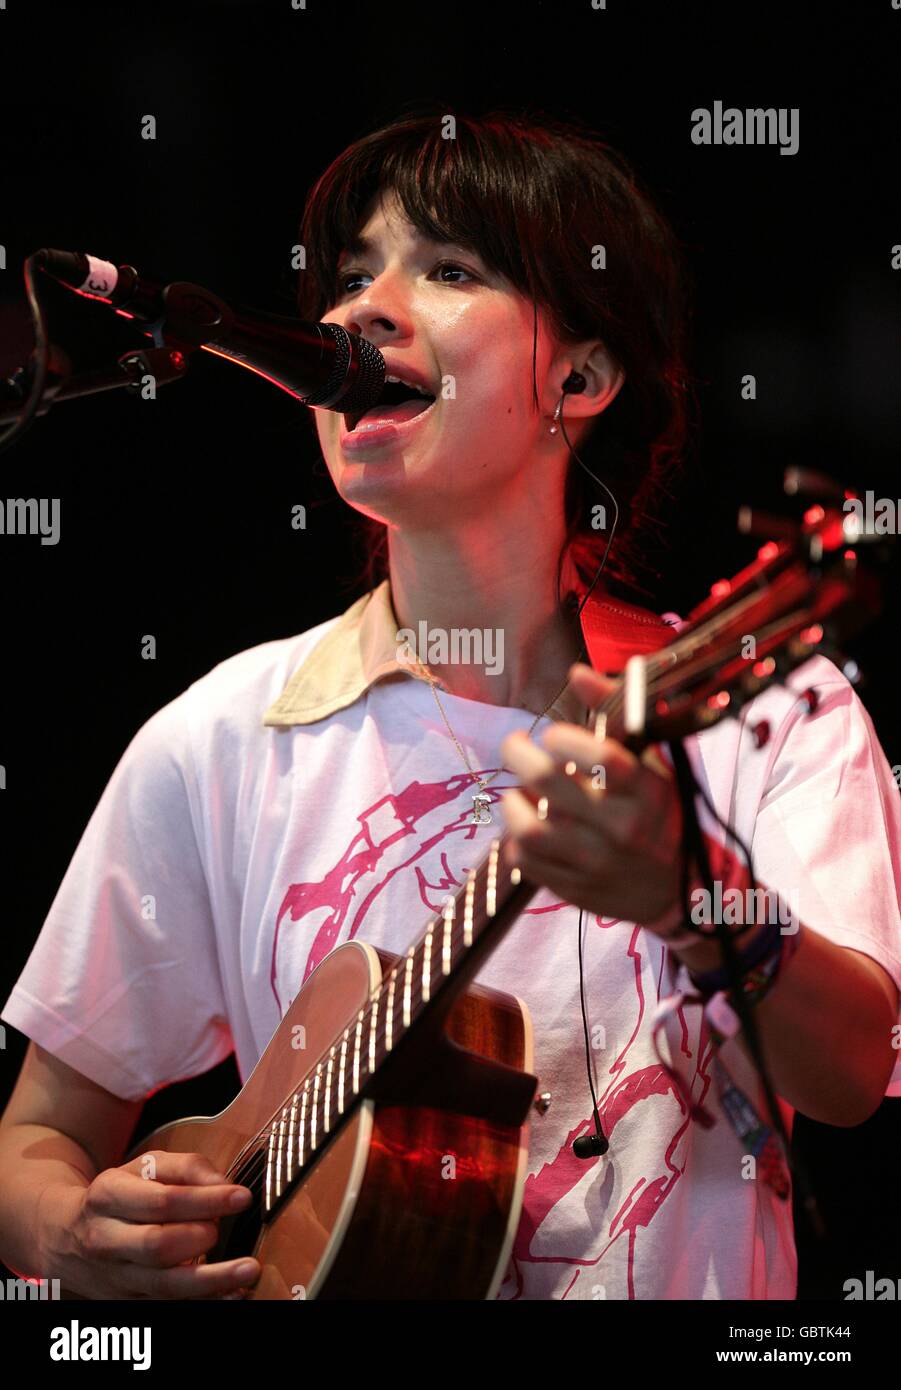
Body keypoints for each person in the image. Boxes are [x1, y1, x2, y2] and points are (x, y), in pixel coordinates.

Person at [1, 108, 899, 1301]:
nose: (354, 311)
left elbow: (855, 1068)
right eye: (350, 273)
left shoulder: (769, 713)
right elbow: (35, 1140)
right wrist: (69, 1235)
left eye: (447, 269)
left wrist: (691, 895)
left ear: (576, 375)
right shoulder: (221, 738)